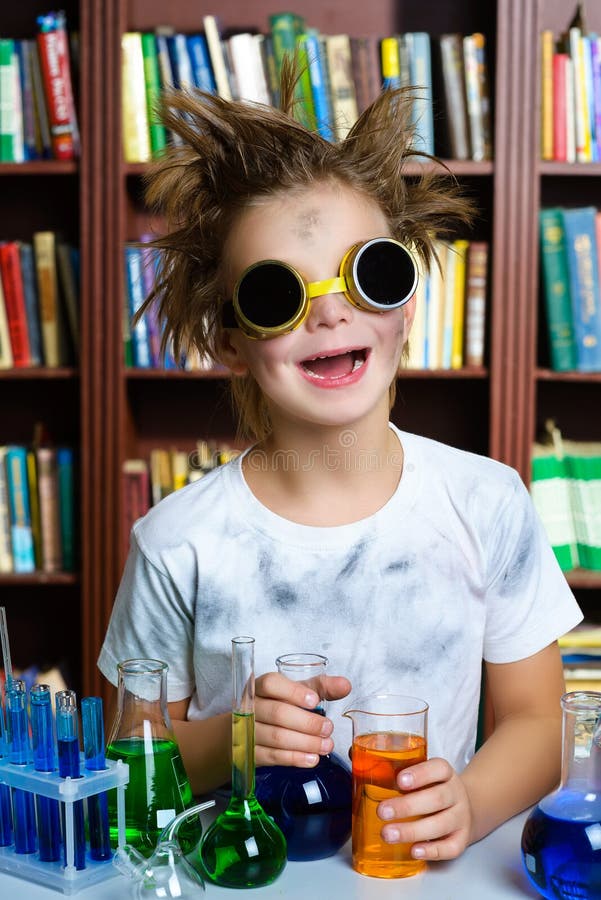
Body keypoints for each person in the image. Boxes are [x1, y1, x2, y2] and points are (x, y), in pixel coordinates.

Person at [98, 70, 582, 863]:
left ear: (406, 305)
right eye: (274, 295)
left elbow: (535, 718)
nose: (329, 311)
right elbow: (130, 755)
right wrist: (234, 738)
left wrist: (471, 801)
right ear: (230, 342)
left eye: (370, 274)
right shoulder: (176, 539)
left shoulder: (484, 501)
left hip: (413, 877)